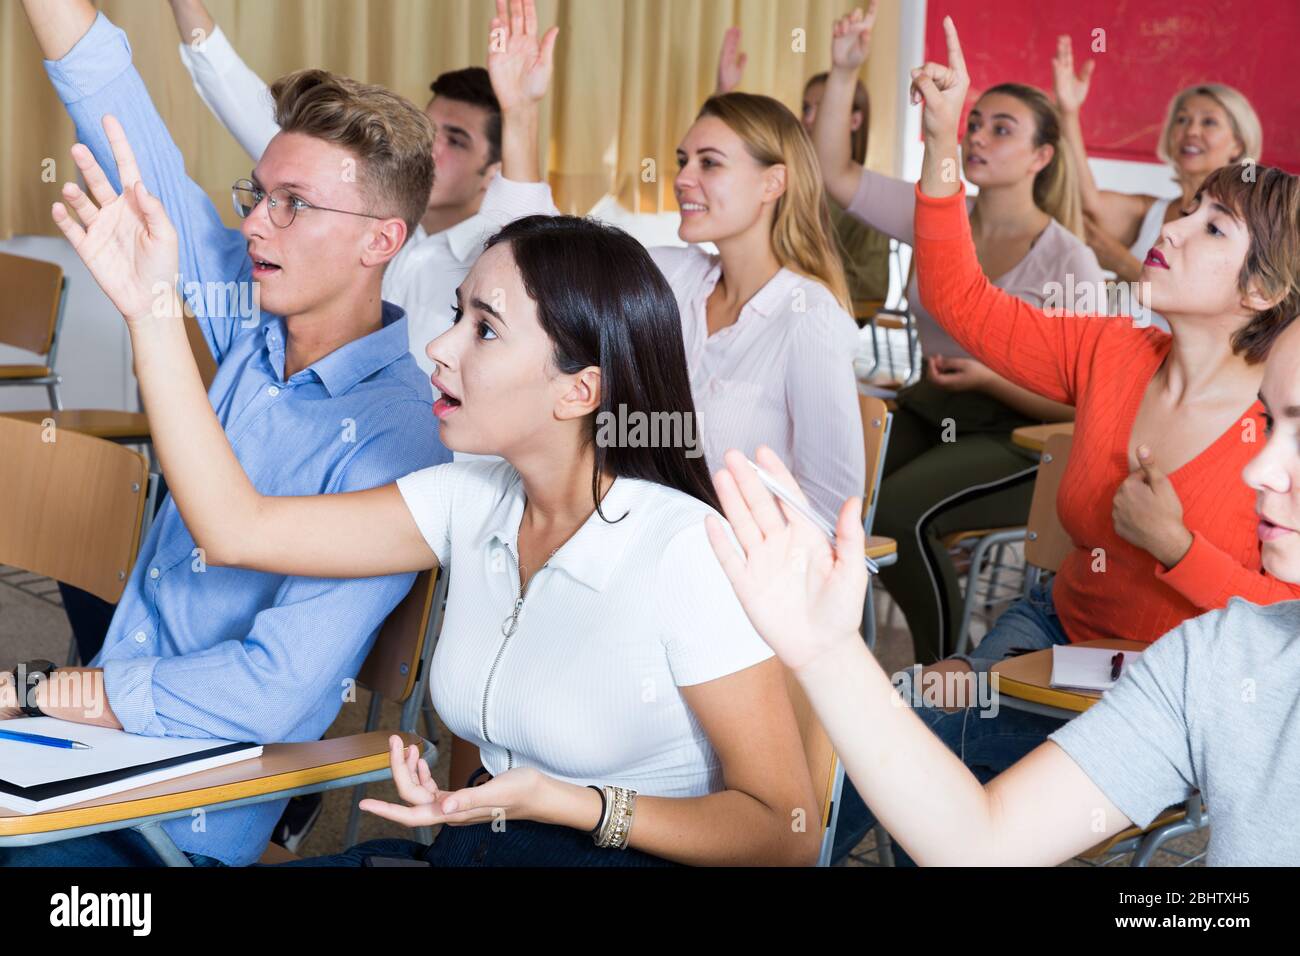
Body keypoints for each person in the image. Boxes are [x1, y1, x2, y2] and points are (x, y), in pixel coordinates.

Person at [30, 111, 823, 866]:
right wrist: (152, 311)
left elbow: (784, 831)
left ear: (578, 392)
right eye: (456, 313)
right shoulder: (467, 498)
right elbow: (235, 527)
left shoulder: (683, 549)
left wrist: (577, 803)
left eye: (483, 328)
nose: (438, 349)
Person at [3, 0, 505, 866]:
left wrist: (46, 690)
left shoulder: (400, 438)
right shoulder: (253, 313)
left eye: (292, 205)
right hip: (88, 750)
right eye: (257, 195)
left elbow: (271, 690)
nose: (253, 224)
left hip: (180, 807)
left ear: (382, 239)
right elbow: (118, 107)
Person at [822, 16, 1300, 865]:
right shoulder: (1112, 349)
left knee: (926, 754)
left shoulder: (1282, 432)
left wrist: (1178, 547)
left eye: (1212, 230)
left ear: (1263, 291)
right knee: (906, 734)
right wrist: (941, 140)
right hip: (1055, 631)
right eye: (1186, 212)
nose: (1176, 229)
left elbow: (1288, 624)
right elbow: (962, 302)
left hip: (1161, 684)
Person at [812, 4, 1105, 663]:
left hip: (1024, 437)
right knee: (835, 500)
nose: (977, 136)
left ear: (1042, 156)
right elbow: (835, 174)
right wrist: (844, 70)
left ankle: (943, 675)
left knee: (897, 516)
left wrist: (993, 377)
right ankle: (835, 659)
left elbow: (1088, 403)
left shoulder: (1069, 260)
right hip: (932, 406)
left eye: (1002, 128)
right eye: (974, 122)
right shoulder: (938, 215)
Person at [166, 0, 562, 372]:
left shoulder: (493, 259)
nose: (433, 150)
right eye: (431, 130)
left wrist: (521, 111)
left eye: (456, 141)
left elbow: (530, 228)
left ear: (493, 171)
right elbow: (249, 111)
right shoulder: (357, 206)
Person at [648, 92, 865, 526]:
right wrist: (521, 110)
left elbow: (831, 513)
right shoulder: (672, 277)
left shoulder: (810, 321)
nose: (683, 178)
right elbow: (552, 266)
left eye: (709, 163)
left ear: (773, 183)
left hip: (741, 575)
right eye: (683, 160)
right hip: (651, 545)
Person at [1052, 34, 1263, 287]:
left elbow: (1211, 303)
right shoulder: (1150, 212)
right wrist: (1068, 112)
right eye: (1182, 120)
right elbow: (1086, 201)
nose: (1191, 131)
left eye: (1209, 122)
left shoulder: (1247, 223)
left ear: (1238, 143)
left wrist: (1122, 263)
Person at [714, 26, 890, 304]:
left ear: (854, 120)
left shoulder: (864, 196)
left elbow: (871, 286)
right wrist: (723, 95)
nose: (807, 119)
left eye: (819, 108)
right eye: (806, 108)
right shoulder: (784, 177)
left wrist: (796, 288)